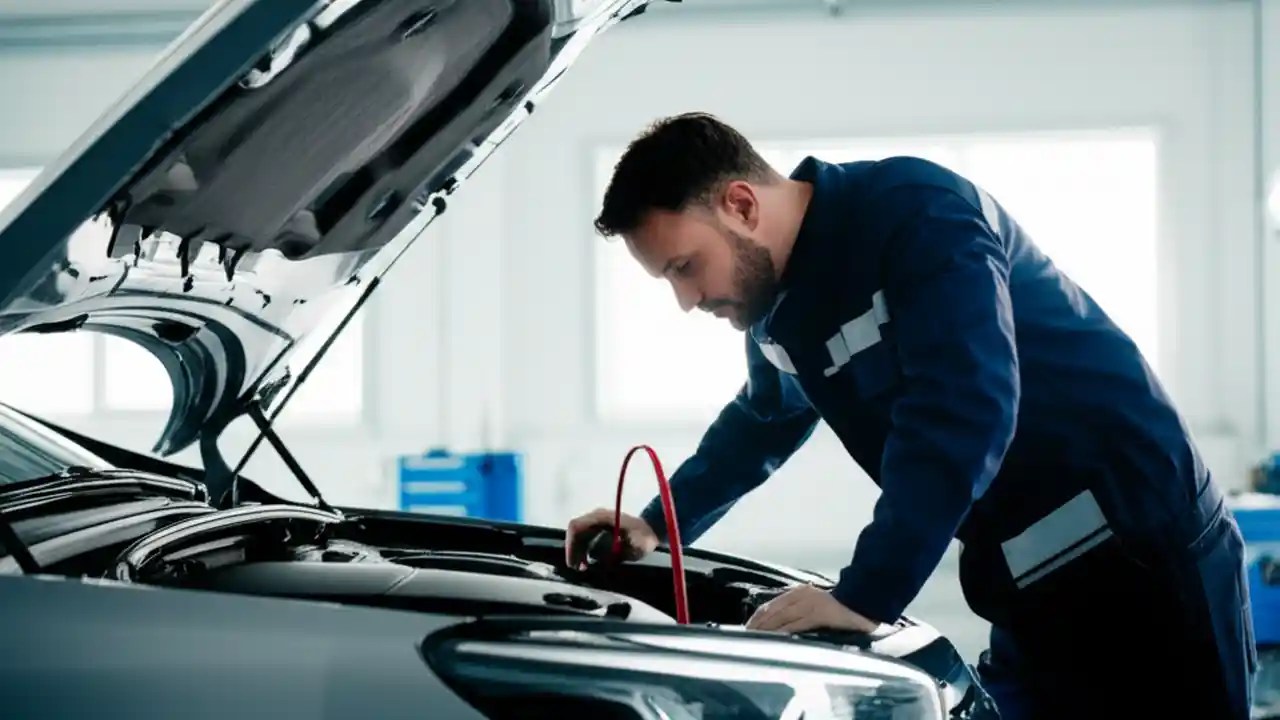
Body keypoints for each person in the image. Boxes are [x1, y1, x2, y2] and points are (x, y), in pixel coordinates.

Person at [563, 112, 1257, 719]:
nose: (687, 300)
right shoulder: (779, 315)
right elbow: (762, 424)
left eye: (685, 267)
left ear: (741, 205)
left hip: (1141, 559)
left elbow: (966, 408)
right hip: (1025, 586)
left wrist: (866, 593)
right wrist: (657, 523)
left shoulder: (918, 214)